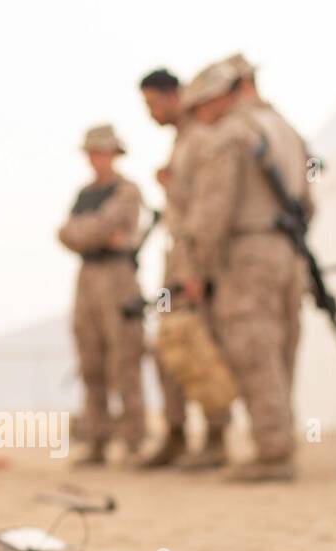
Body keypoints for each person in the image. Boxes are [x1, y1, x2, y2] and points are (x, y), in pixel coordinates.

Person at [178, 55, 310, 482]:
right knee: (279, 347)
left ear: (219, 98)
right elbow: (310, 203)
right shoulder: (285, 131)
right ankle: (279, 440)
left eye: (201, 106)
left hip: (248, 252)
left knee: (253, 348)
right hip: (288, 251)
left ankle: (272, 452)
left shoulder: (231, 136)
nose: (200, 117)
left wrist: (196, 266)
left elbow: (212, 209)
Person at [138, 69, 231, 470]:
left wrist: (196, 269)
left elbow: (207, 207)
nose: (151, 114)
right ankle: (175, 434)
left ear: (173, 96)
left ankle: (215, 437)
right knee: (170, 348)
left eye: (153, 104)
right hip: (175, 259)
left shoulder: (203, 137)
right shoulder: (183, 141)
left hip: (194, 261)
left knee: (201, 347)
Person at [56, 124, 145, 467]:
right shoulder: (85, 194)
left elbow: (98, 228)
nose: (97, 159)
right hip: (88, 277)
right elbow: (67, 232)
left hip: (119, 275)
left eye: (102, 152)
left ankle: (135, 441)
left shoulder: (127, 190)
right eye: (92, 153)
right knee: (90, 360)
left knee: (125, 359)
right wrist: (90, 234)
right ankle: (97, 440)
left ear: (114, 154)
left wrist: (87, 233)